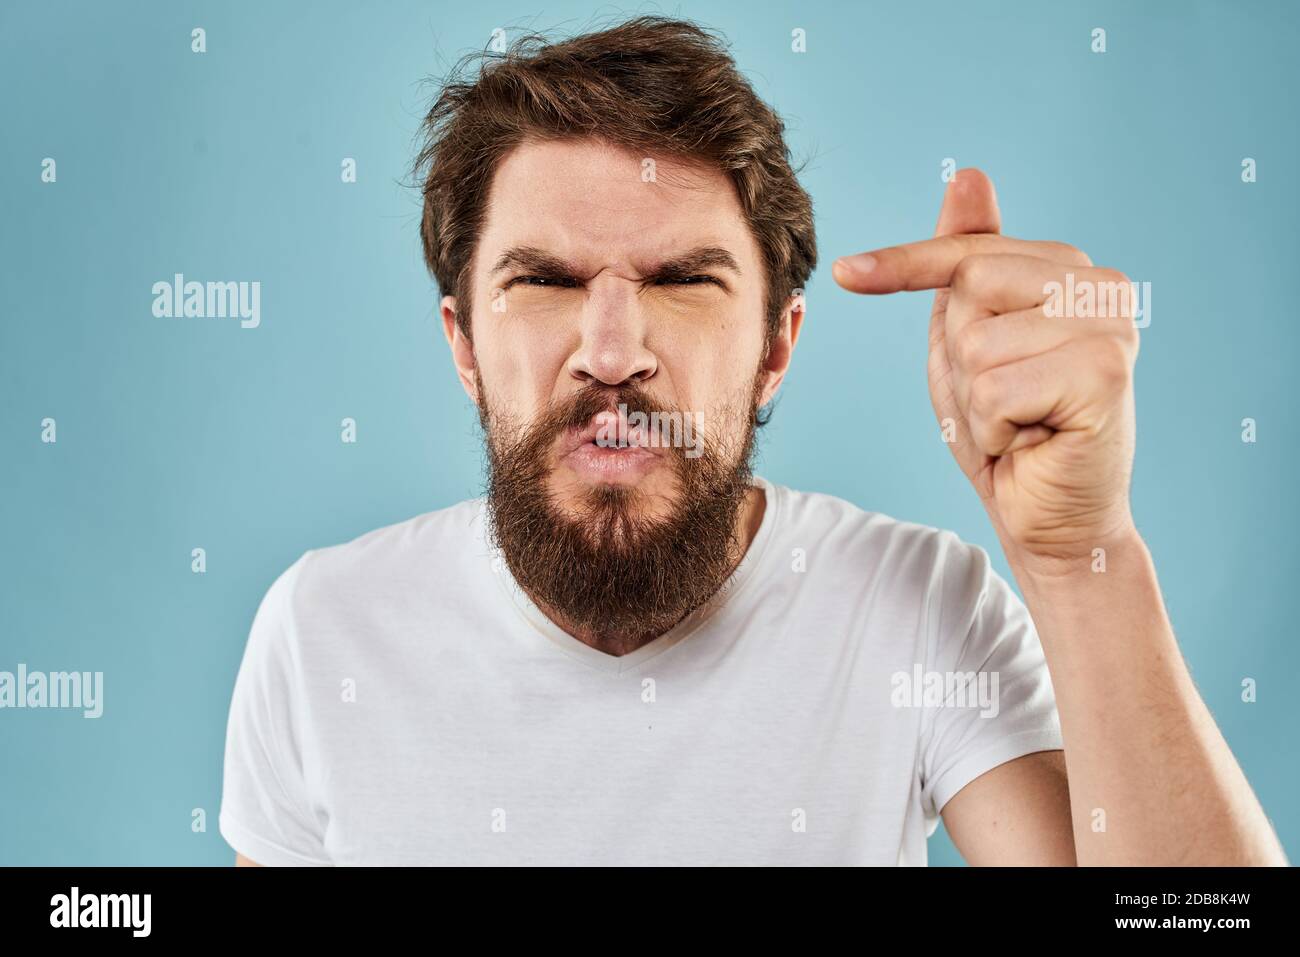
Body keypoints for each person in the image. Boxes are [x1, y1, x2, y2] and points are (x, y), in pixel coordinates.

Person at [219, 16, 1286, 866]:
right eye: (542, 280)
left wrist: (1078, 561)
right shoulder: (324, 632)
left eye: (682, 281)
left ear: (776, 346)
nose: (610, 351)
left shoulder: (914, 609)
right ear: (462, 342)